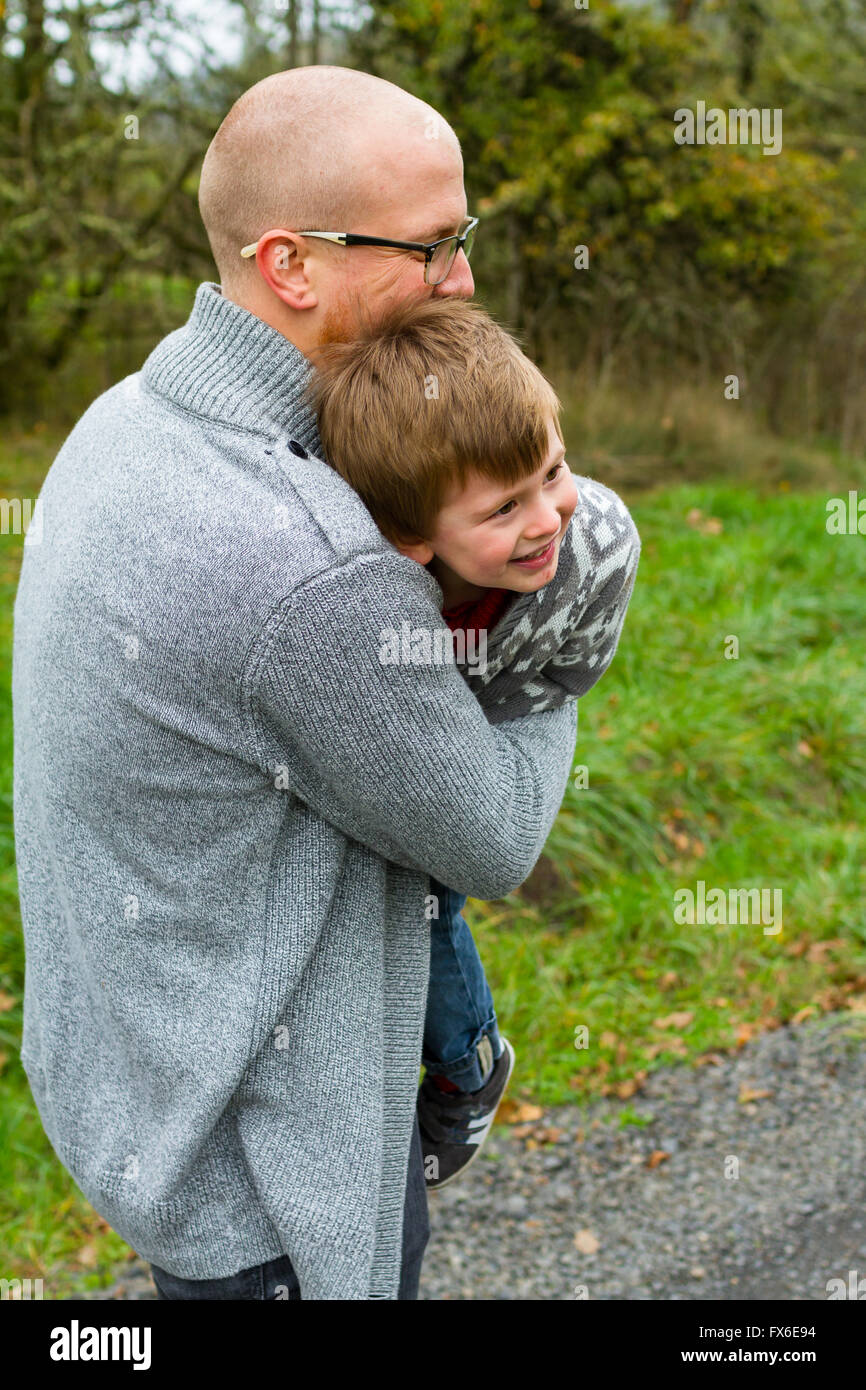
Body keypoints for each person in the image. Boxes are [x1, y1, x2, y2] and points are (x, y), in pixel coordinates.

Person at [12, 65, 580, 1301]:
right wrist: (563, 618)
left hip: (151, 1086)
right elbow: (491, 831)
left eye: (462, 238)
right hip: (275, 1171)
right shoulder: (303, 556)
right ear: (291, 266)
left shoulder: (126, 419)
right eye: (430, 247)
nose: (463, 280)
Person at [306, 294, 641, 1190]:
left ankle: (468, 1061)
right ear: (412, 535)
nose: (546, 518)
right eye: (504, 509)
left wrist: (512, 728)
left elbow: (575, 667)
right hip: (404, 704)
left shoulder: (596, 544)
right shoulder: (368, 589)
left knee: (435, 889)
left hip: (502, 703)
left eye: (554, 471)